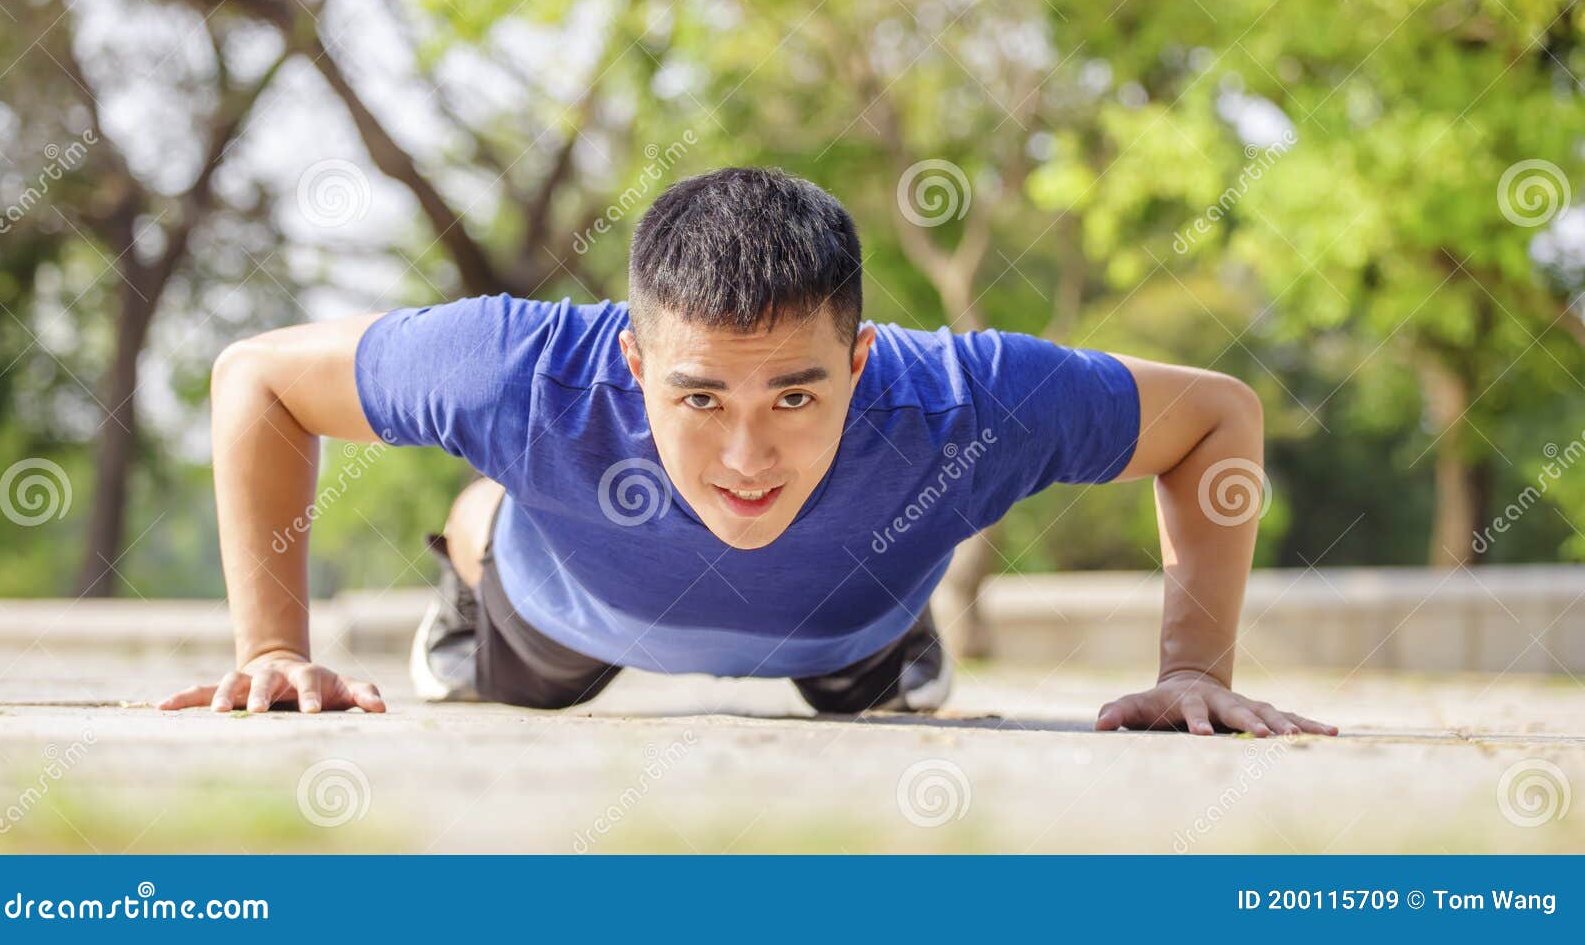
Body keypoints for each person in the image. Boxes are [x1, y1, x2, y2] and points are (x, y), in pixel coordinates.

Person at [160, 166, 1337, 737]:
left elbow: (1217, 416)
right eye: (699, 395)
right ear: (631, 362)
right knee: (511, 587)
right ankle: (478, 535)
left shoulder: (969, 396)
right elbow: (256, 378)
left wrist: (1195, 668)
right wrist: (271, 645)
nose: (745, 450)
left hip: (854, 619)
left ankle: (896, 626)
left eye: (796, 393)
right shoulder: (514, 368)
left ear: (863, 358)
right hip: (570, 609)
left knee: (871, 674)